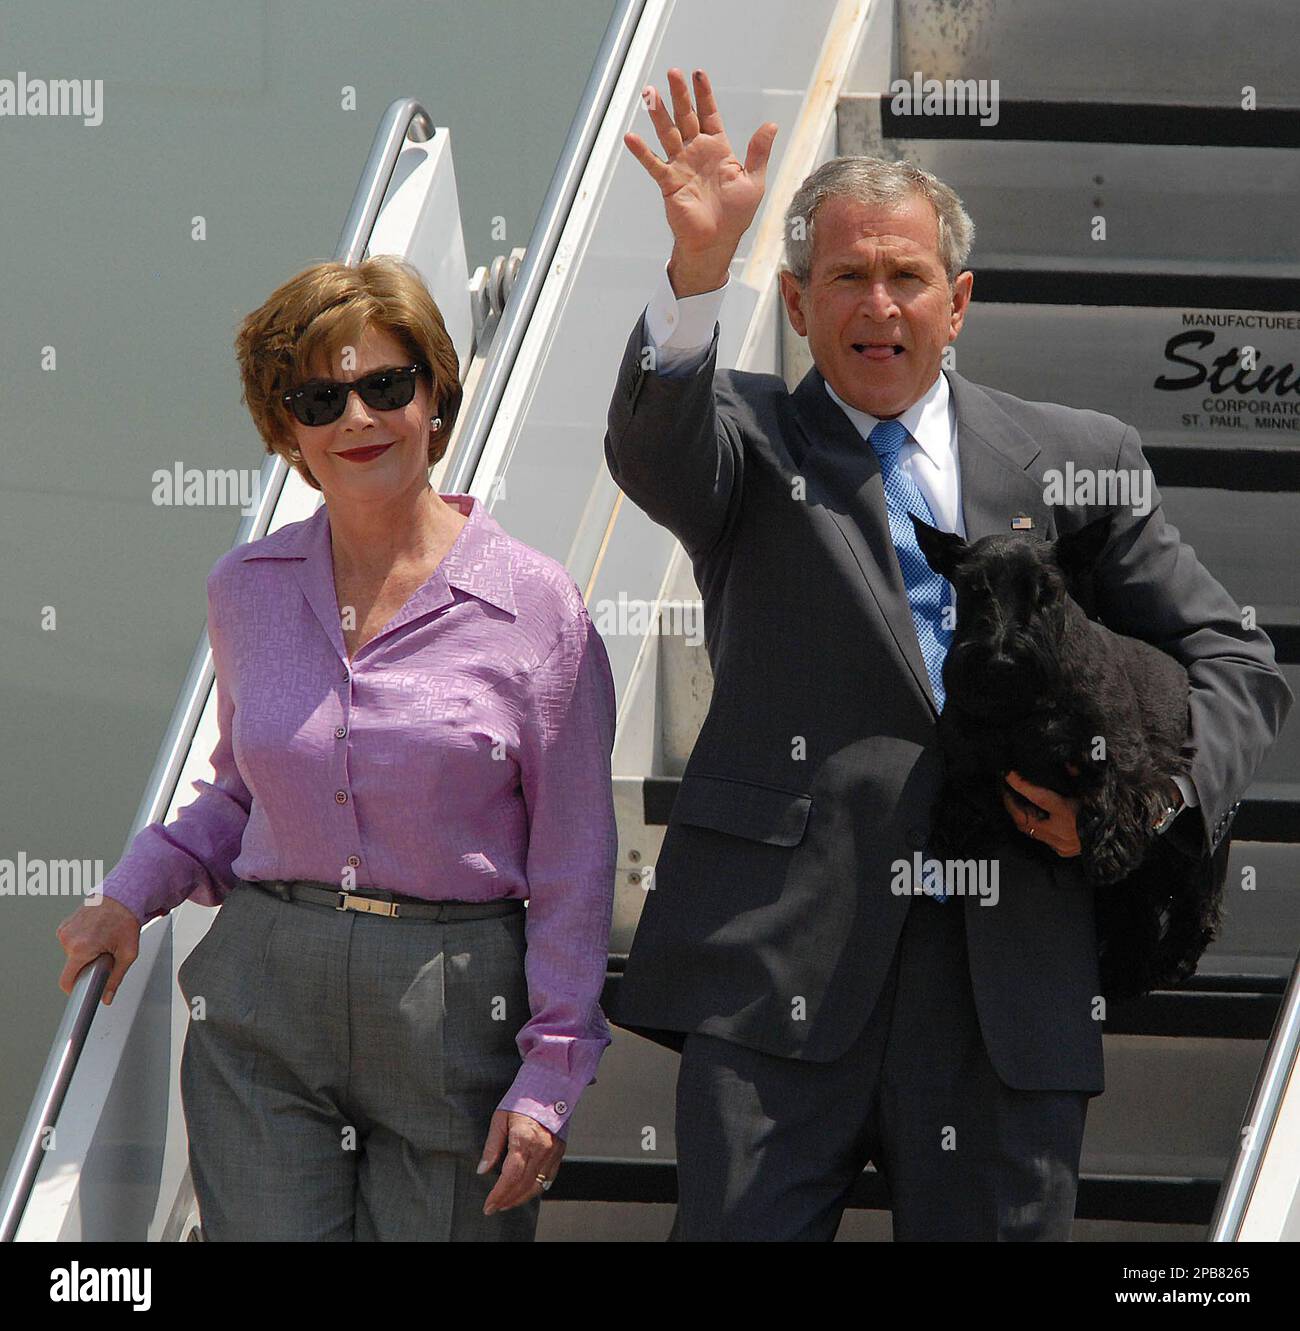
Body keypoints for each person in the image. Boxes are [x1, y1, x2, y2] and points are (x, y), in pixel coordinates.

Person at [604, 67, 1292, 1240]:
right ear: (799, 299)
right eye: (846, 277)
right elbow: (655, 444)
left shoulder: (1080, 457)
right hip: (781, 977)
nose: (878, 304)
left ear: (957, 300)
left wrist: (1143, 803)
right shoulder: (745, 438)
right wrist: (694, 275)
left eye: (905, 277)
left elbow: (1238, 660)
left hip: (1006, 985)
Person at [56, 254, 618, 1241]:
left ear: (434, 394)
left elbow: (575, 859)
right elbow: (237, 795)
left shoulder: (537, 607)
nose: (357, 417)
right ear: (287, 431)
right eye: (320, 396)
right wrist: (127, 893)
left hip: (453, 999)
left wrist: (553, 1067)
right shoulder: (247, 588)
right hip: (267, 985)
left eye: (386, 385)